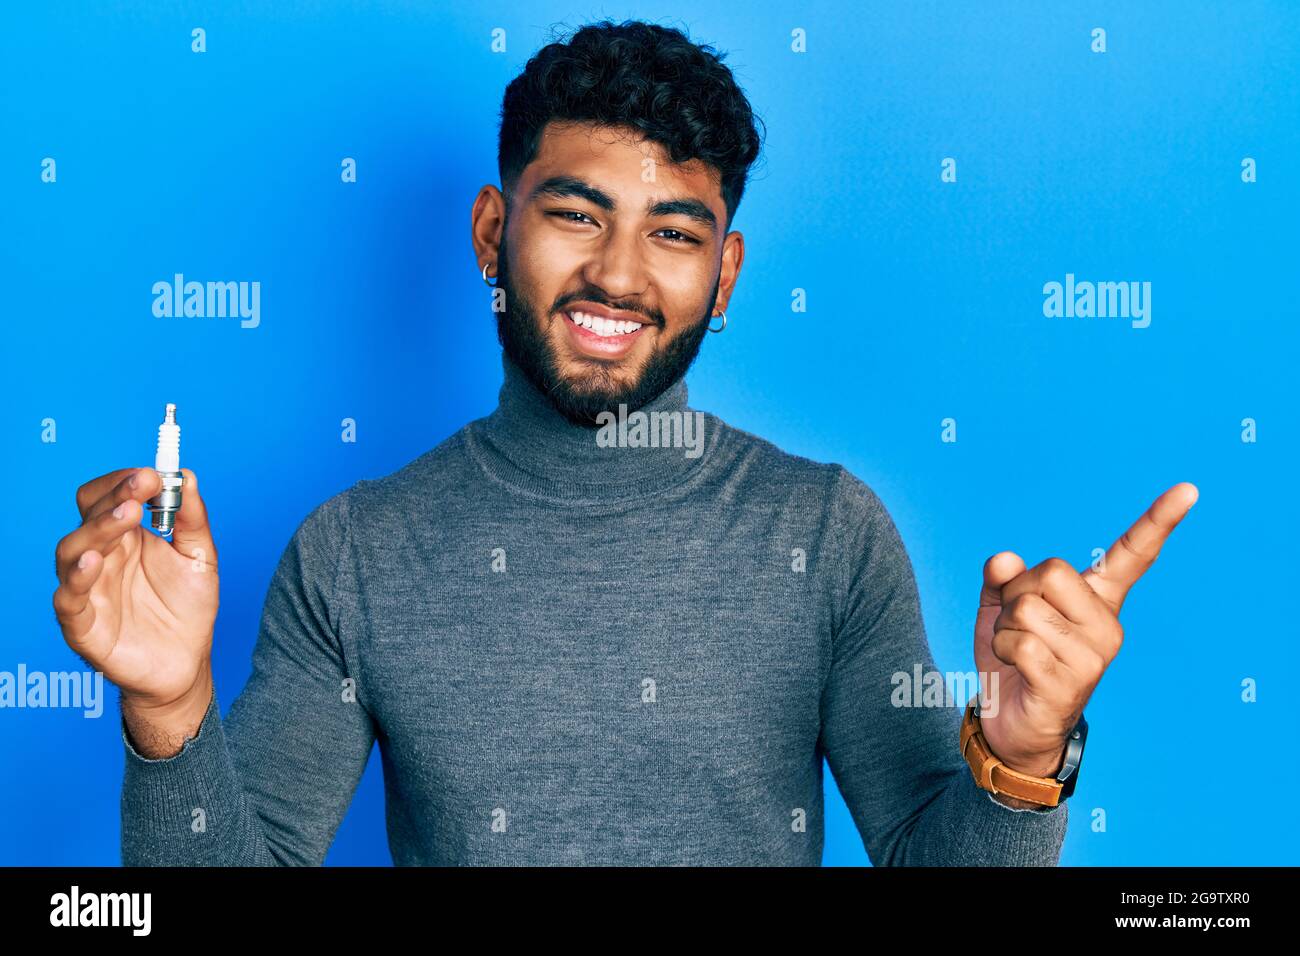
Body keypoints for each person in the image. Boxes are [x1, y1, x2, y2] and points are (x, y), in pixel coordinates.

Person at [51, 19, 1195, 866]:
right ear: (493, 233)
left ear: (725, 276)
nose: (618, 274)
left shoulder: (826, 533)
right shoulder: (352, 551)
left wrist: (1024, 757)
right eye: (575, 213)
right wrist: (168, 709)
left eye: (674, 232)